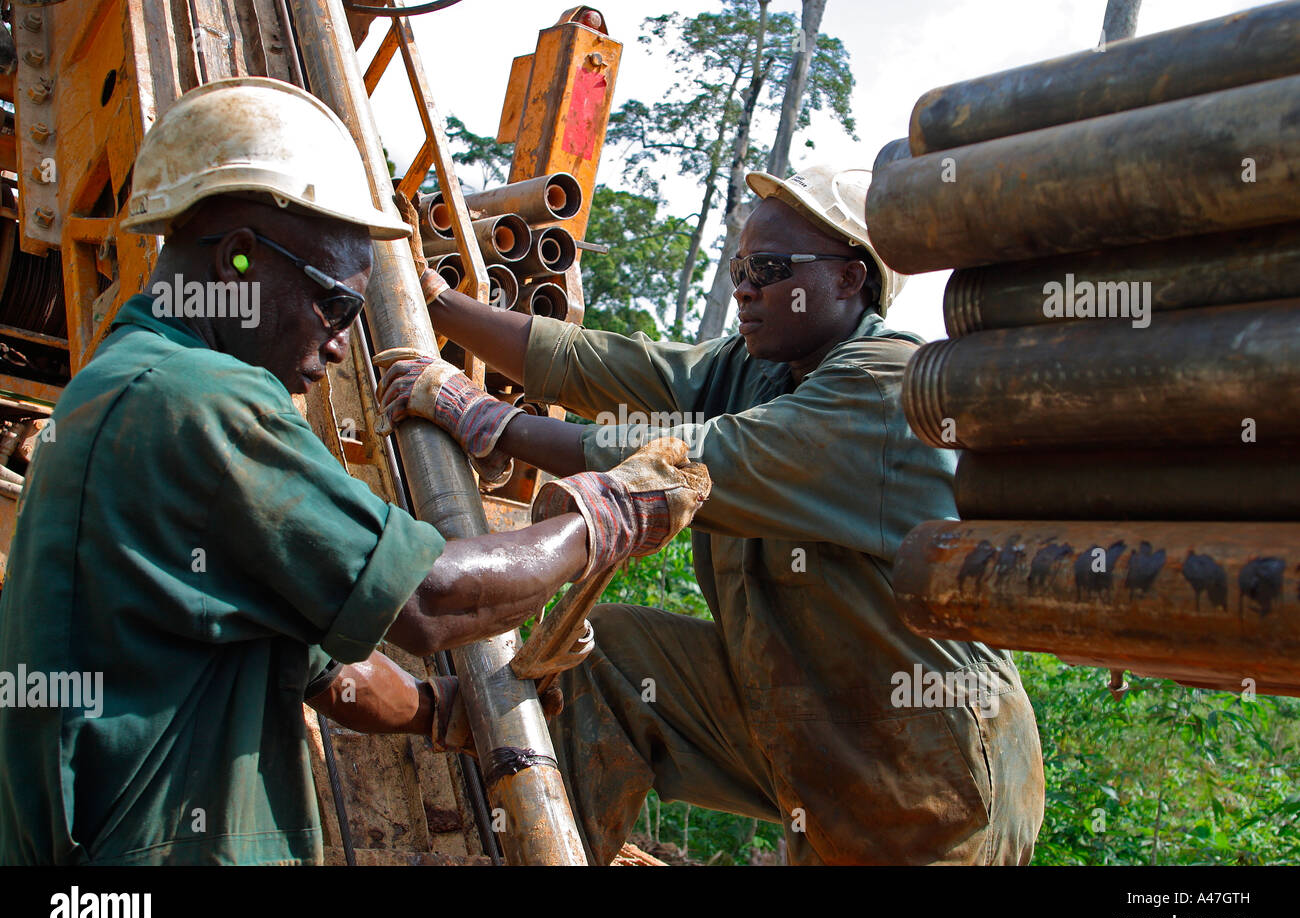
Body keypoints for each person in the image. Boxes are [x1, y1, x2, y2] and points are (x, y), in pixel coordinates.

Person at [0, 77, 705, 865]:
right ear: (236, 256)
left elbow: (322, 669)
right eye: (335, 306)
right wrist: (601, 518)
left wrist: (438, 713)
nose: (341, 346)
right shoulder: (201, 400)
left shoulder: (125, 382)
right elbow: (430, 598)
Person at [377, 165, 1047, 865]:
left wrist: (489, 421)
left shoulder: (884, 390)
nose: (744, 287)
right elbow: (608, 367)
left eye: (769, 267)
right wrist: (441, 304)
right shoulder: (759, 368)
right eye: (739, 267)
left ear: (850, 280)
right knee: (607, 654)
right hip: (805, 719)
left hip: (929, 772)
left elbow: (697, 461)